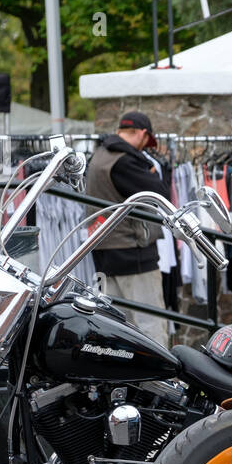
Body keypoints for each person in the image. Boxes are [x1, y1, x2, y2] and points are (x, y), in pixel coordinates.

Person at [85, 111, 170, 346]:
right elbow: (160, 195)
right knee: (150, 325)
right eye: (146, 143)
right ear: (143, 133)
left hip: (105, 252)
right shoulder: (124, 161)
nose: (145, 149)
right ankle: (161, 381)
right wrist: (152, 173)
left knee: (118, 327)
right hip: (133, 251)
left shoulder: (100, 155)